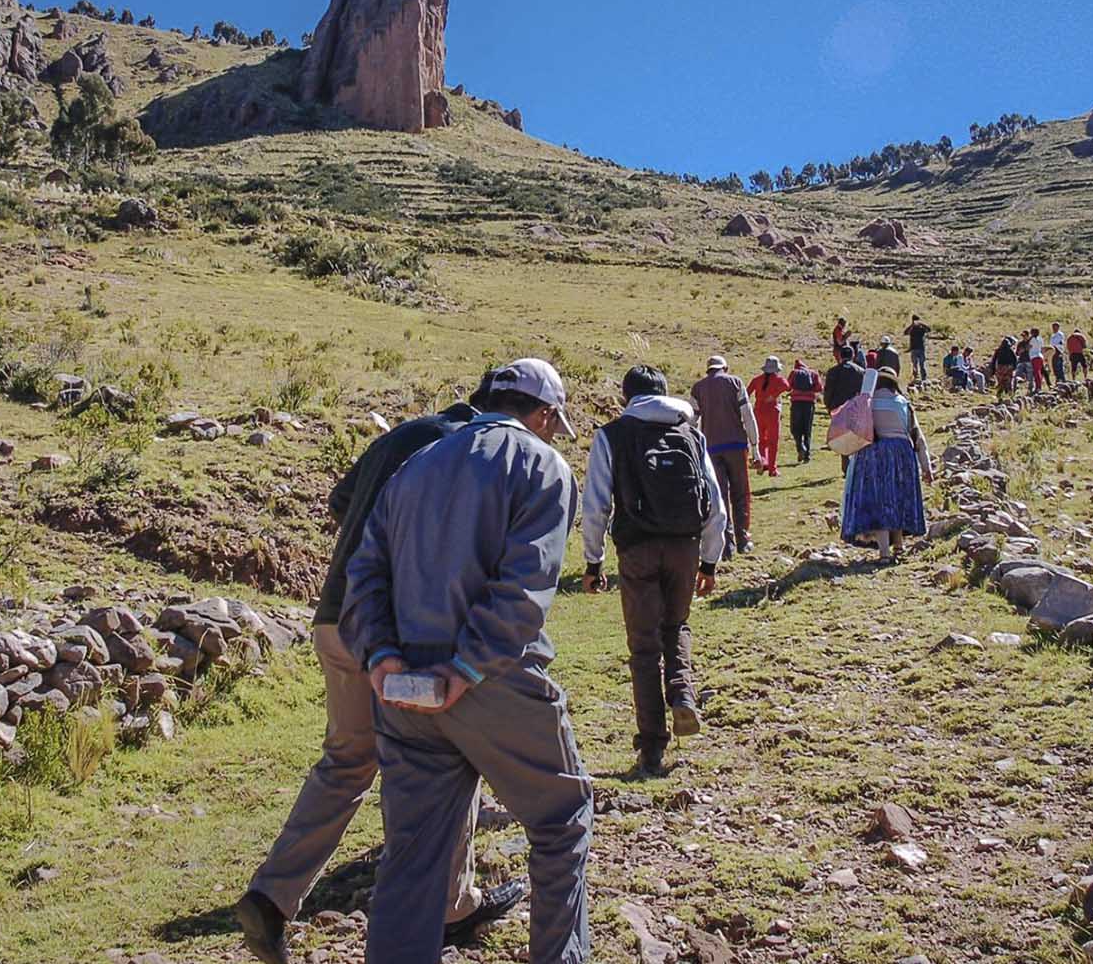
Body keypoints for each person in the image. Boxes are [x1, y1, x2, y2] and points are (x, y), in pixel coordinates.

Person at [237, 374, 524, 964]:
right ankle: (451, 903)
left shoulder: (405, 432)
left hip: (335, 615)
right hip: (395, 629)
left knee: (347, 761)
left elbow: (341, 503)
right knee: (444, 750)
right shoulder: (468, 449)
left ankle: (271, 896)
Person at [340, 358, 591, 964]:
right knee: (562, 819)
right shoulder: (544, 466)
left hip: (403, 691)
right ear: (545, 414)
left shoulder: (415, 465)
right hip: (494, 683)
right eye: (555, 422)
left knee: (413, 853)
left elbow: (363, 571)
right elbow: (523, 588)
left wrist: (380, 656)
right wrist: (468, 669)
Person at [580, 366, 726, 775]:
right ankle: (682, 695)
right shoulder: (691, 434)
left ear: (628, 397)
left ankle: (651, 749)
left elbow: (594, 506)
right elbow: (715, 505)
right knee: (676, 626)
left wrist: (594, 562)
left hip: (637, 549)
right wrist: (710, 560)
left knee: (643, 648)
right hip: (685, 545)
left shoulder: (612, 435)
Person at [839, 367, 932, 561]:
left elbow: (855, 432)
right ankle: (898, 546)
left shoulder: (868, 404)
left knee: (878, 502)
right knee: (898, 499)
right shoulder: (903, 403)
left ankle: (884, 553)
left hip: (874, 454)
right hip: (902, 454)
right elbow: (918, 438)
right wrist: (926, 467)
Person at [690, 356, 759, 554]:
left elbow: (692, 421)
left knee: (719, 495)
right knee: (741, 493)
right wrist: (755, 446)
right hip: (737, 446)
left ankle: (726, 543)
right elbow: (747, 415)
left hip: (711, 448)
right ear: (725, 368)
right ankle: (743, 539)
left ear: (708, 370)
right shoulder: (735, 382)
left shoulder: (698, 388)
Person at [746, 356, 792, 476]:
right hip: (772, 411)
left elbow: (747, 393)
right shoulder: (778, 379)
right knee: (773, 441)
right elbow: (787, 386)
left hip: (758, 411)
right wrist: (775, 394)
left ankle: (762, 461)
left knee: (761, 439)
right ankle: (772, 469)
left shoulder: (757, 379)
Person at [786, 358, 822, 464]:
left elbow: (788, 387)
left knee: (794, 428)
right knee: (807, 430)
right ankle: (807, 456)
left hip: (796, 402)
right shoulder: (813, 374)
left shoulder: (794, 373)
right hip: (809, 403)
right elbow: (819, 388)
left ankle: (800, 447)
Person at [903, 314, 932, 384]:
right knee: (914, 364)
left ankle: (924, 377)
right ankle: (915, 377)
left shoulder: (921, 328)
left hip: (921, 348)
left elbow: (929, 330)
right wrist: (911, 325)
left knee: (922, 364)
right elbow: (905, 332)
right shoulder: (911, 329)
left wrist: (921, 324)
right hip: (914, 349)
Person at [1026, 325, 1047, 393]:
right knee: (1039, 372)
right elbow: (1042, 348)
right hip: (1040, 356)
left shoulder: (1032, 339)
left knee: (1036, 373)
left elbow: (1028, 347)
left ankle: (1038, 387)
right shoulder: (1040, 339)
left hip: (1034, 357)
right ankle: (1039, 386)